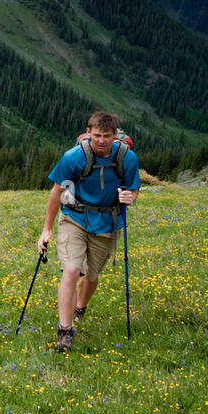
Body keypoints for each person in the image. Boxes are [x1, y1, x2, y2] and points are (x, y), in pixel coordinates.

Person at [36, 110, 140, 352]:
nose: (100, 141)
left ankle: (79, 308)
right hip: (75, 218)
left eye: (106, 135)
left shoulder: (128, 158)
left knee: (91, 276)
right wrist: (46, 230)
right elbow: (56, 193)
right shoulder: (73, 157)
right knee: (71, 270)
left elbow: (133, 190)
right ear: (88, 133)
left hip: (107, 223)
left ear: (115, 135)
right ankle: (64, 331)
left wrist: (130, 197)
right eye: (96, 135)